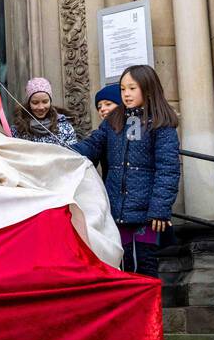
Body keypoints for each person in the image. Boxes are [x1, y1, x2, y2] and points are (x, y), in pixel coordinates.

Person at [70, 65, 181, 278]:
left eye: (132, 88)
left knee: (146, 266)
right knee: (124, 266)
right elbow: (91, 146)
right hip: (116, 211)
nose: (126, 94)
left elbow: (168, 168)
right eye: (123, 89)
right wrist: (61, 152)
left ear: (147, 89)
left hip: (146, 216)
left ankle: (151, 312)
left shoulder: (161, 123)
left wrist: (159, 208)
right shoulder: (114, 120)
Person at [15, 77, 76, 146]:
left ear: (50, 101)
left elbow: (72, 154)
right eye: (35, 102)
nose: (41, 107)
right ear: (29, 103)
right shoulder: (18, 130)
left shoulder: (65, 128)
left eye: (45, 102)